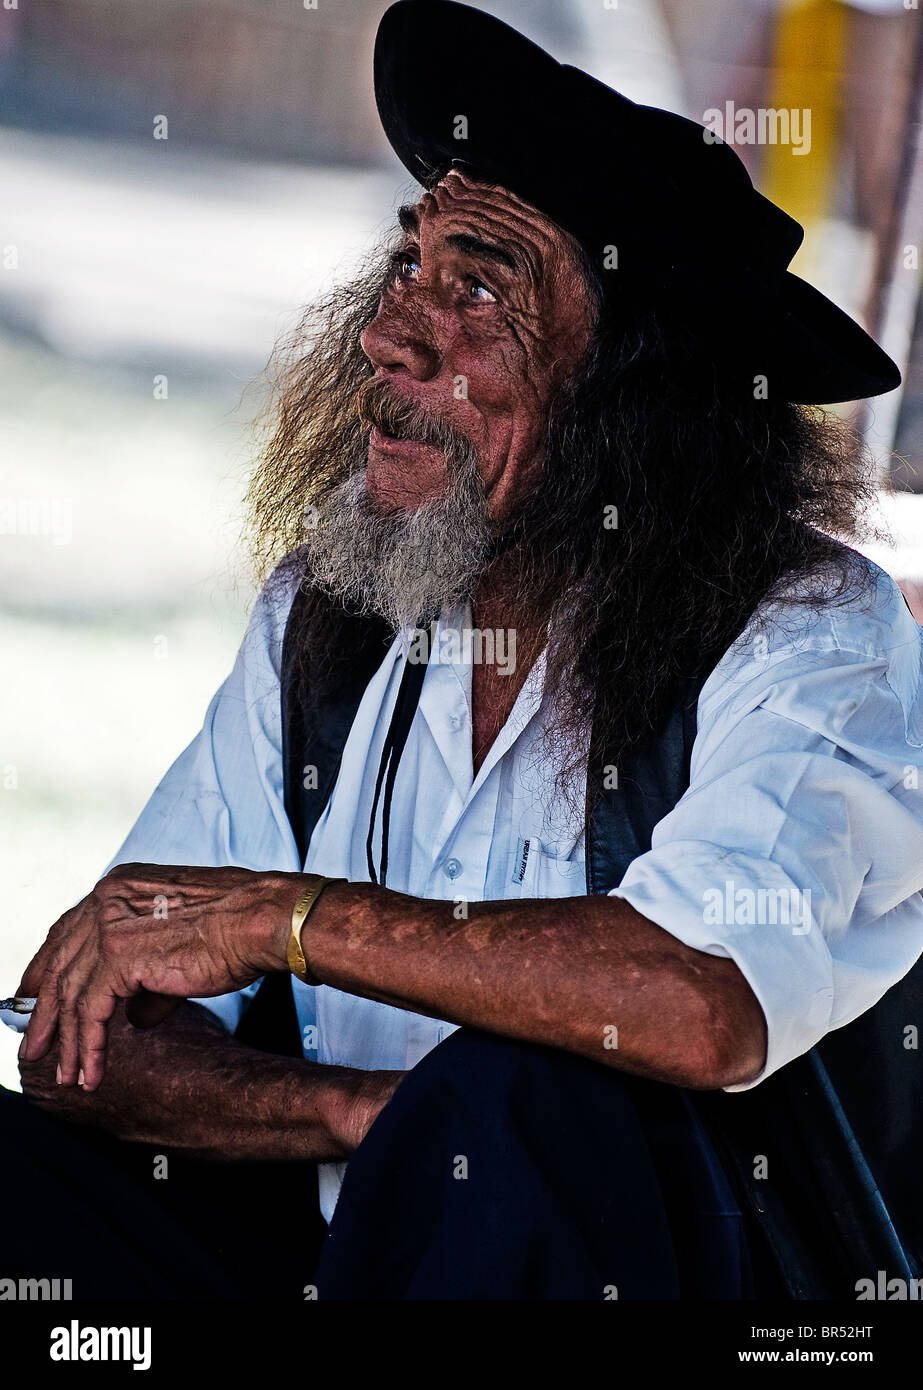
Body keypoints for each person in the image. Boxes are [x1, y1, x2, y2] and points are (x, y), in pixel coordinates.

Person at [3, 0, 921, 1300]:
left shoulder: (812, 630)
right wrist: (361, 1117)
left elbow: (699, 1000)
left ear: (636, 392)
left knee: (521, 1107)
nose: (388, 335)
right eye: (408, 268)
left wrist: (287, 919)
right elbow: (87, 1035)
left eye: (480, 285)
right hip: (337, 1257)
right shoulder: (329, 618)